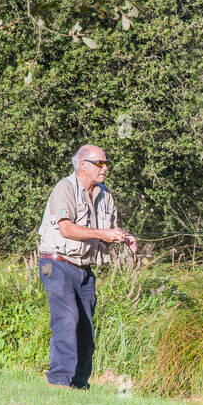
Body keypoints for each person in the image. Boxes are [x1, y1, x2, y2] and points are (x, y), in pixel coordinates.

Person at [36, 145, 137, 388]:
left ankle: (80, 383)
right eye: (100, 163)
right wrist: (102, 233)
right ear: (83, 165)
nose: (105, 168)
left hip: (85, 270)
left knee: (86, 328)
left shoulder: (105, 195)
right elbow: (66, 228)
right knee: (67, 319)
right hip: (57, 264)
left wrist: (123, 237)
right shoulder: (65, 188)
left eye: (105, 163)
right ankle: (59, 381)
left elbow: (107, 230)